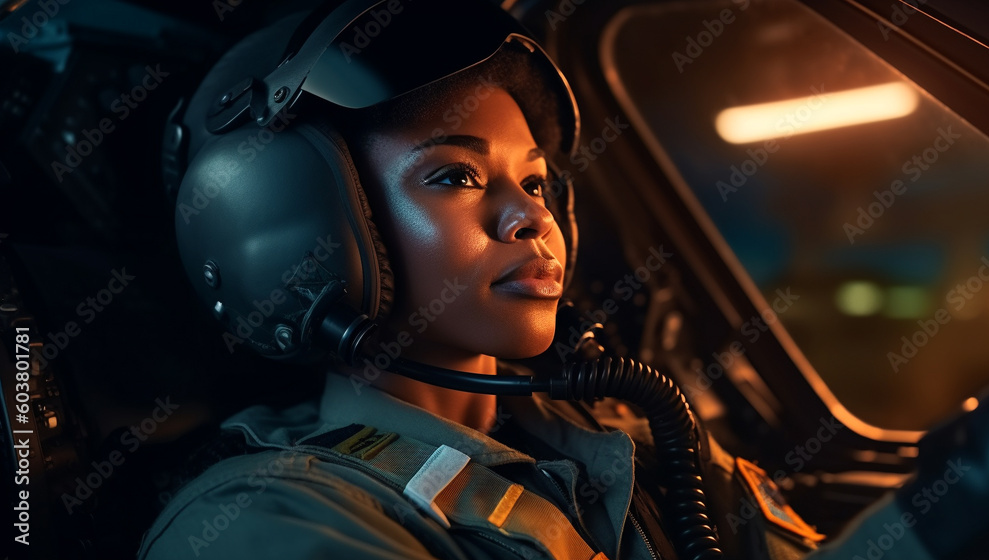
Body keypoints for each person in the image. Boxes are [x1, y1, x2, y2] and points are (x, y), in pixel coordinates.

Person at [137, 1, 919, 559]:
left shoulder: (628, 442)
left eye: (538, 183)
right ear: (298, 230)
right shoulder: (274, 521)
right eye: (455, 176)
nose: (528, 219)